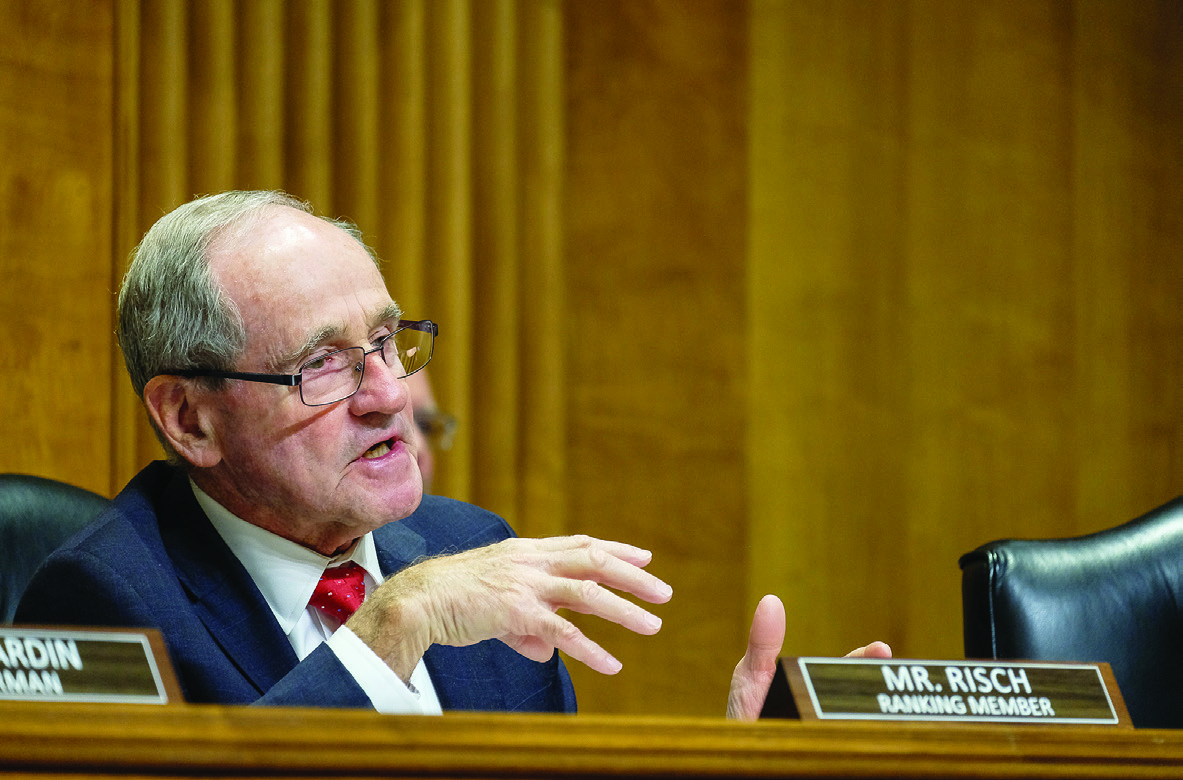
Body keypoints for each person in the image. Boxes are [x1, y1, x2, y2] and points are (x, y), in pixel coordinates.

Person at [16, 191, 887, 718]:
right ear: (189, 420)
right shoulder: (101, 598)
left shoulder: (468, 546)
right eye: (321, 364)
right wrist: (390, 628)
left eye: (388, 340)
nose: (390, 394)